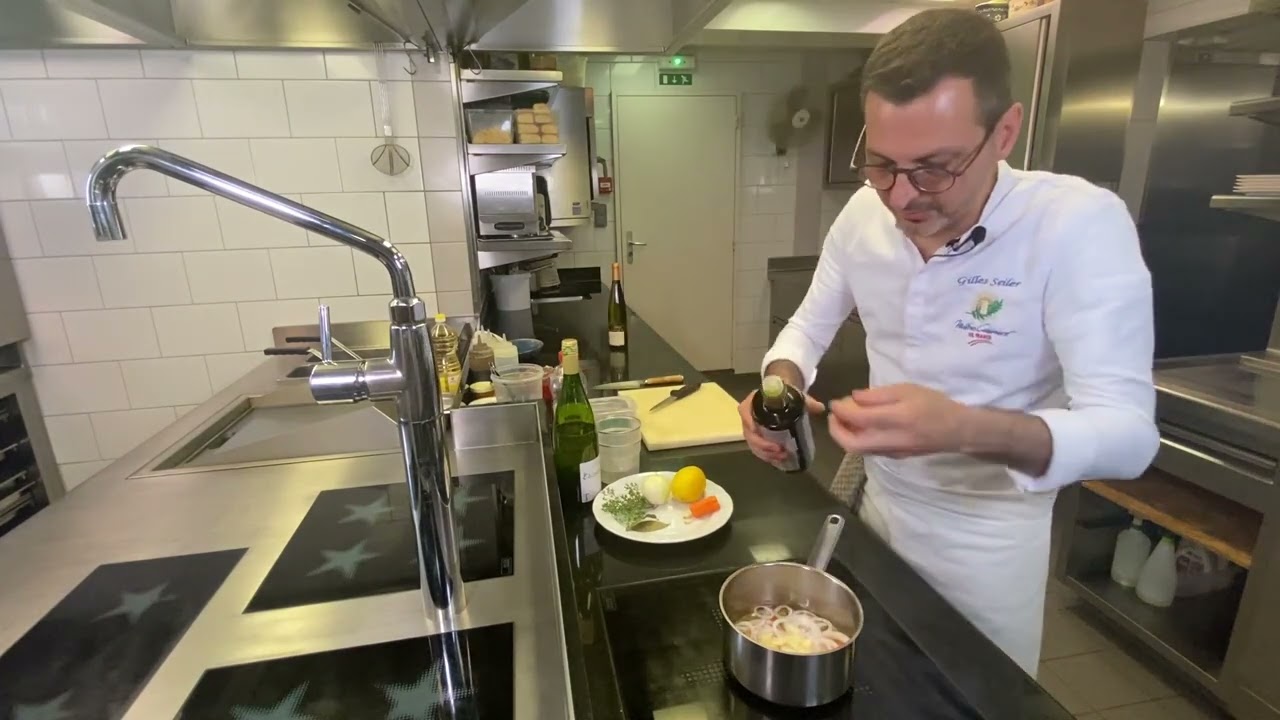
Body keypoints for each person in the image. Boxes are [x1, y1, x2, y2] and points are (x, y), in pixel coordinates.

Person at [738, 7, 1158, 675]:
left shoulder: (1075, 226)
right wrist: (778, 385)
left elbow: (1130, 436)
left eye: (934, 169)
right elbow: (806, 328)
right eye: (881, 164)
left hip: (989, 549)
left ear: (1005, 133)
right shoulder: (862, 215)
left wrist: (965, 427)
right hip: (871, 519)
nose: (903, 197)